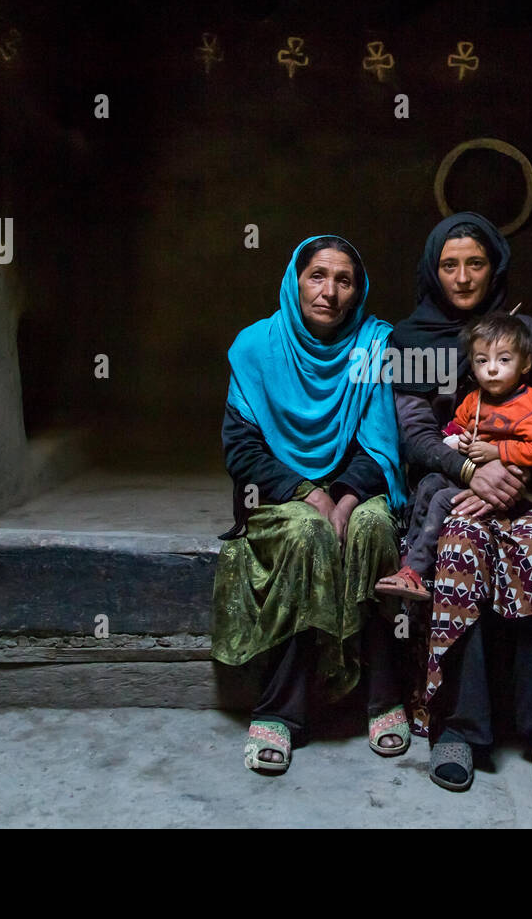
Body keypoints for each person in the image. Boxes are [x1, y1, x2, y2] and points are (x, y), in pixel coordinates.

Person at [389, 212, 532, 792]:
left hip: (521, 487)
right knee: (460, 547)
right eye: (450, 265)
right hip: (448, 486)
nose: (464, 277)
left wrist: (511, 472)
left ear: (494, 265)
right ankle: (460, 728)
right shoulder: (412, 340)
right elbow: (416, 435)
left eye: (476, 263)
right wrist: (472, 469)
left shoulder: (526, 332)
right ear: (432, 269)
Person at [212, 235, 412, 774]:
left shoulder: (376, 345)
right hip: (280, 495)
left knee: (372, 529)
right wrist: (310, 493)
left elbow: (382, 444)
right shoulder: (255, 347)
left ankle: (383, 697)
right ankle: (282, 709)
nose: (329, 291)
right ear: (294, 281)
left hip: (359, 489)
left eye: (344, 280)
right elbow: (242, 450)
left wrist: (344, 499)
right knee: (307, 533)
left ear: (359, 290)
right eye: (317, 276)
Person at [375, 311, 532, 601]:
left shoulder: (528, 404)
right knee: (431, 482)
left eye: (504, 360)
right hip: (470, 476)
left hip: (506, 486)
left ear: (526, 364)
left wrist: (498, 451)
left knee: (440, 499)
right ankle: (411, 553)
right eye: (483, 361)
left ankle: (417, 571)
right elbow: (457, 425)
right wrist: (453, 440)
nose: (492, 370)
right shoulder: (476, 398)